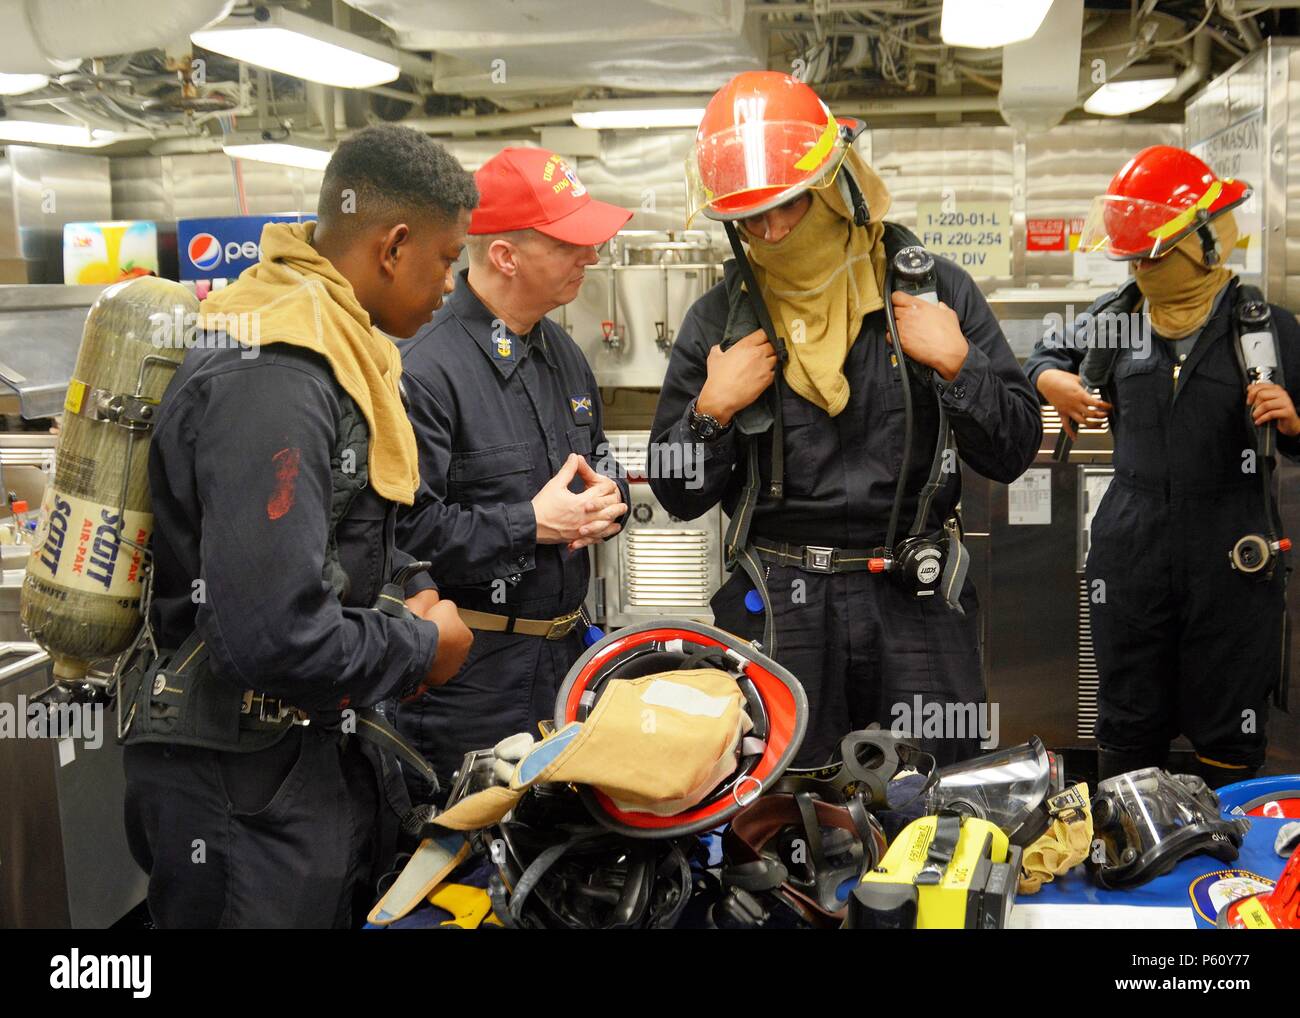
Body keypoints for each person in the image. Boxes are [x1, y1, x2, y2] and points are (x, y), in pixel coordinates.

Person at [121, 124, 476, 928]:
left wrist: (414, 590)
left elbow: (359, 529)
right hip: (237, 789)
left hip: (300, 759)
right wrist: (425, 646)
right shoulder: (279, 370)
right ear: (392, 246)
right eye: (447, 259)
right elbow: (272, 634)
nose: (453, 284)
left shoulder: (342, 350)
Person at [650, 71, 1041, 768]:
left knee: (935, 808)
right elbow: (678, 494)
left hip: (915, 599)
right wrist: (711, 414)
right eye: (748, 218)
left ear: (833, 187)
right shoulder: (720, 320)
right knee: (780, 818)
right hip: (781, 607)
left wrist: (961, 367)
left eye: (788, 207)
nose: (769, 233)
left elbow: (1013, 448)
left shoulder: (936, 289)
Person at [1024, 145, 1300, 787]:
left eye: (1157, 254)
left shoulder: (1264, 326)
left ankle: (1228, 873)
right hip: (1131, 547)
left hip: (1233, 552)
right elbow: (1038, 353)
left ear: (1204, 244)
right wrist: (1049, 380)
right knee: (1127, 722)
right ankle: (1132, 853)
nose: (1145, 268)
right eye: (1136, 257)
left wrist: (1293, 419)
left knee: (1229, 727)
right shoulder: (1118, 319)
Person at [395, 147, 631, 790]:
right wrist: (528, 524)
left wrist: (611, 500)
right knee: (466, 860)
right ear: (505, 256)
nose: (591, 256)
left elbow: (598, 455)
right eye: (570, 244)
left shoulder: (560, 350)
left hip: (567, 659)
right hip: (472, 677)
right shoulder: (424, 369)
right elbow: (400, 537)